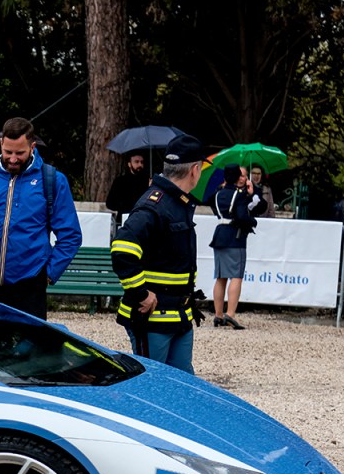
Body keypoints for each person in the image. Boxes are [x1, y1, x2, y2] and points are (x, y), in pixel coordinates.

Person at [110, 134, 206, 374]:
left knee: (183, 385)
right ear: (195, 170)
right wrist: (141, 293)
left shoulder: (177, 202)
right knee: (151, 385)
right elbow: (122, 248)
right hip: (153, 318)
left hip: (178, 316)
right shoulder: (156, 204)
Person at [0, 117, 83, 319]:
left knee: (30, 349)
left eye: (19, 153)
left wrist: (47, 274)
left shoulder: (53, 180)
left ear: (32, 147)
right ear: (1, 144)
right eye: (8, 152)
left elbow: (71, 235)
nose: (13, 159)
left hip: (29, 287)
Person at [209, 165, 258, 330]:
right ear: (238, 177)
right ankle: (230, 313)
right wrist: (253, 222)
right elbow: (242, 216)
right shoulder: (239, 195)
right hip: (234, 236)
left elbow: (214, 207)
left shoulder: (217, 194)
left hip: (219, 234)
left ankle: (218, 314)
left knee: (220, 277)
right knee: (236, 276)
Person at [105, 153, 149, 220]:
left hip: (143, 218)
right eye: (136, 162)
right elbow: (110, 203)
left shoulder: (147, 181)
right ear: (129, 164)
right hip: (124, 219)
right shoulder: (120, 181)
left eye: (142, 162)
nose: (140, 165)